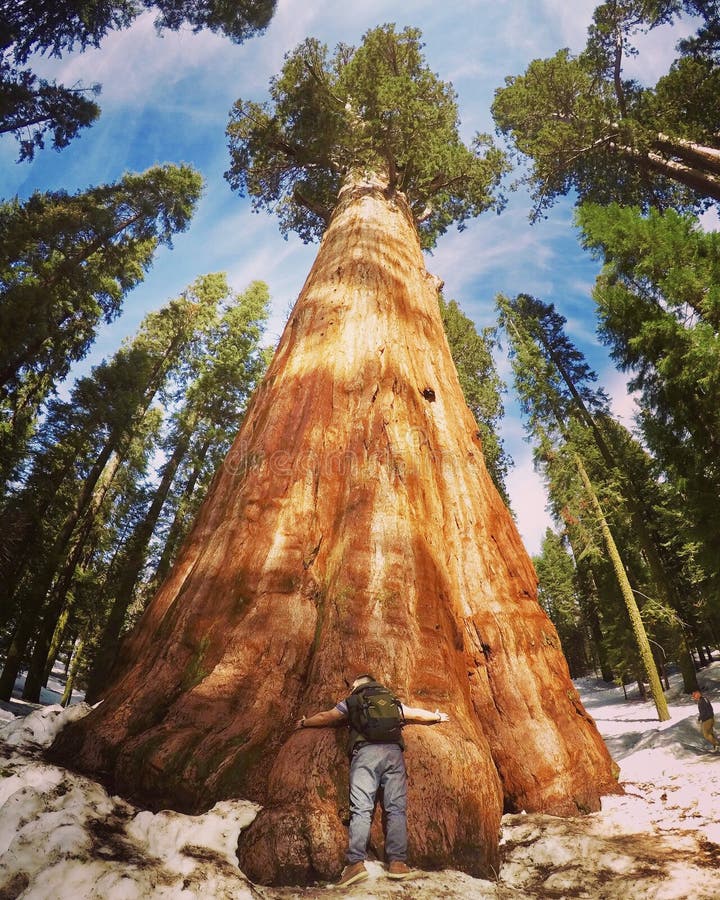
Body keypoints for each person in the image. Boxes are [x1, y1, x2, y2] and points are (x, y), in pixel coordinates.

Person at [297, 673, 449, 889]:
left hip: (366, 754)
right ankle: (398, 863)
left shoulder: (354, 700)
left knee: (361, 809)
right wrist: (436, 717)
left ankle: (355, 864)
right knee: (396, 808)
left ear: (357, 686)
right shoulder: (390, 699)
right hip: (393, 754)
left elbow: (327, 716)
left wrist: (305, 722)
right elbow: (414, 714)